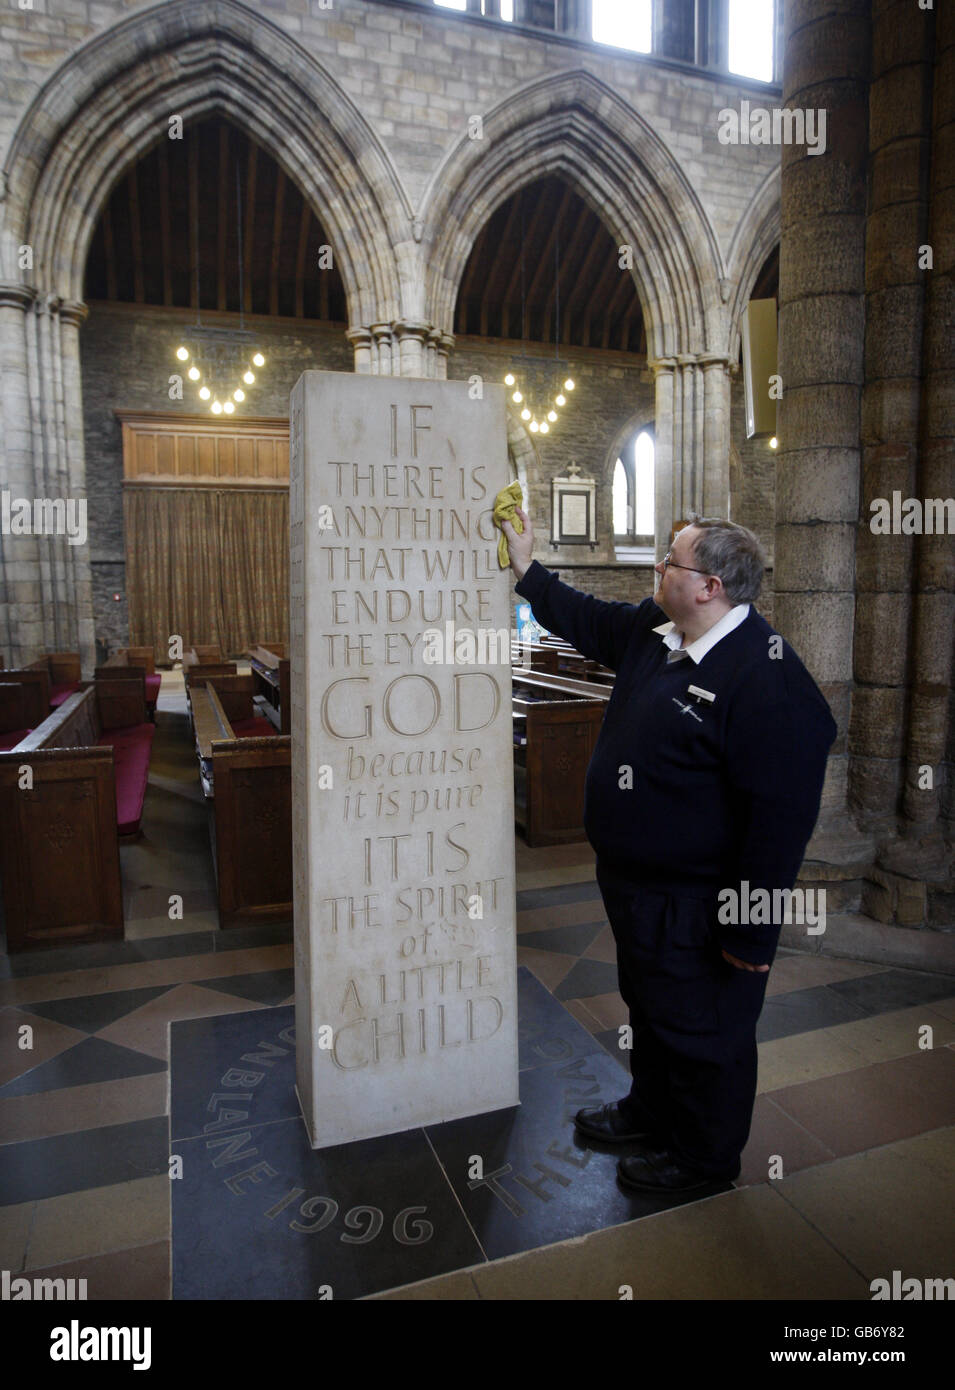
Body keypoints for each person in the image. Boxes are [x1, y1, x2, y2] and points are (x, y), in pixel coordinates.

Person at [500, 509, 837, 1193]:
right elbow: (587, 618)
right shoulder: (660, 633)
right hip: (638, 885)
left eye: (669, 563)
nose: (657, 571)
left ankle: (702, 1158)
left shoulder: (767, 681)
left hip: (702, 901)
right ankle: (650, 1112)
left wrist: (748, 932)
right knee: (650, 1005)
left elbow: (777, 826)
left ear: (710, 585)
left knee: (703, 1030)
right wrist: (526, 569)